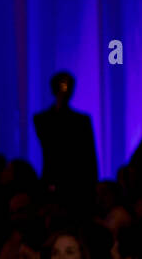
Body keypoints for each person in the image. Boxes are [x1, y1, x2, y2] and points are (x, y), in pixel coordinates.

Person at [33, 71, 99, 213]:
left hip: (77, 185)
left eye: (68, 86)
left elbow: (89, 155)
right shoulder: (42, 120)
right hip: (53, 180)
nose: (65, 90)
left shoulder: (81, 121)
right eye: (61, 86)